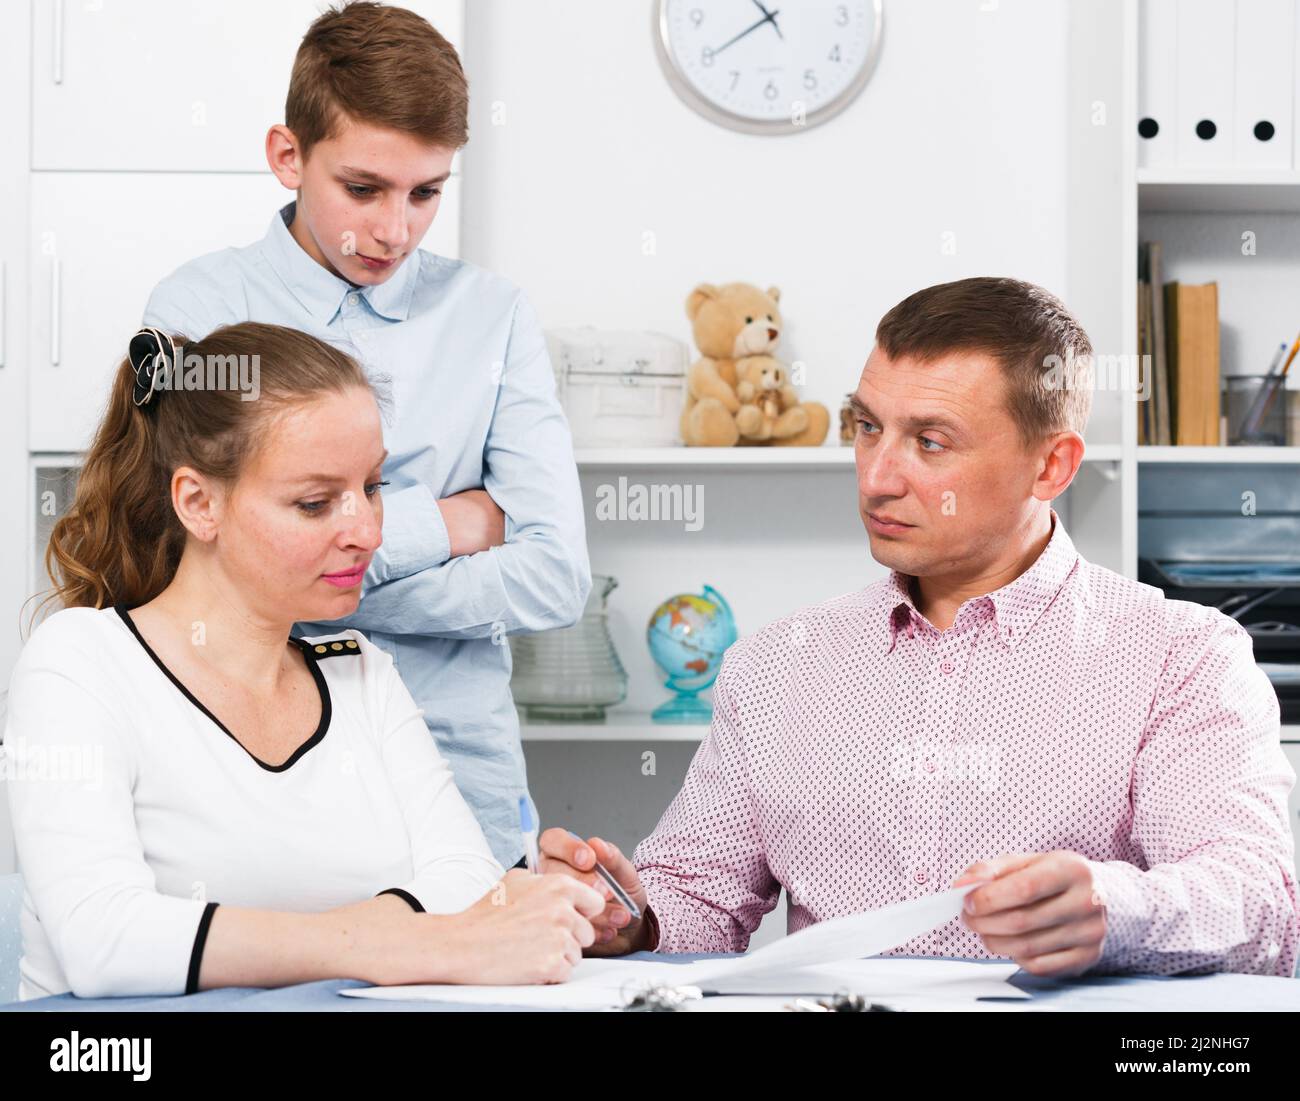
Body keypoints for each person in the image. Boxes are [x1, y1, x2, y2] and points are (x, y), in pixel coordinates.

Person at [541, 276, 1300, 979]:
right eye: (867, 427)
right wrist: (631, 922)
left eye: (930, 442)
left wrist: (1112, 908)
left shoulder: (1183, 655)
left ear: (1053, 467)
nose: (876, 476)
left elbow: (1260, 903)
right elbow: (697, 899)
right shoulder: (775, 666)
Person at [6, 322, 602, 1000]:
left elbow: (465, 879)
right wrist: (389, 939)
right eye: (315, 503)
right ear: (199, 503)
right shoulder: (80, 663)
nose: (368, 530)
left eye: (373, 486)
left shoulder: (360, 672)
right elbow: (103, 939)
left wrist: (410, 932)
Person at [141, 1, 590, 871]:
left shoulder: (491, 317)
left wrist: (306, 590)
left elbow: (557, 575)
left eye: (426, 193)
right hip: (240, 753)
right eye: (363, 189)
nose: (395, 230)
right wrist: (447, 525)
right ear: (288, 156)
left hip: (455, 761)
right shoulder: (193, 316)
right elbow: (181, 557)